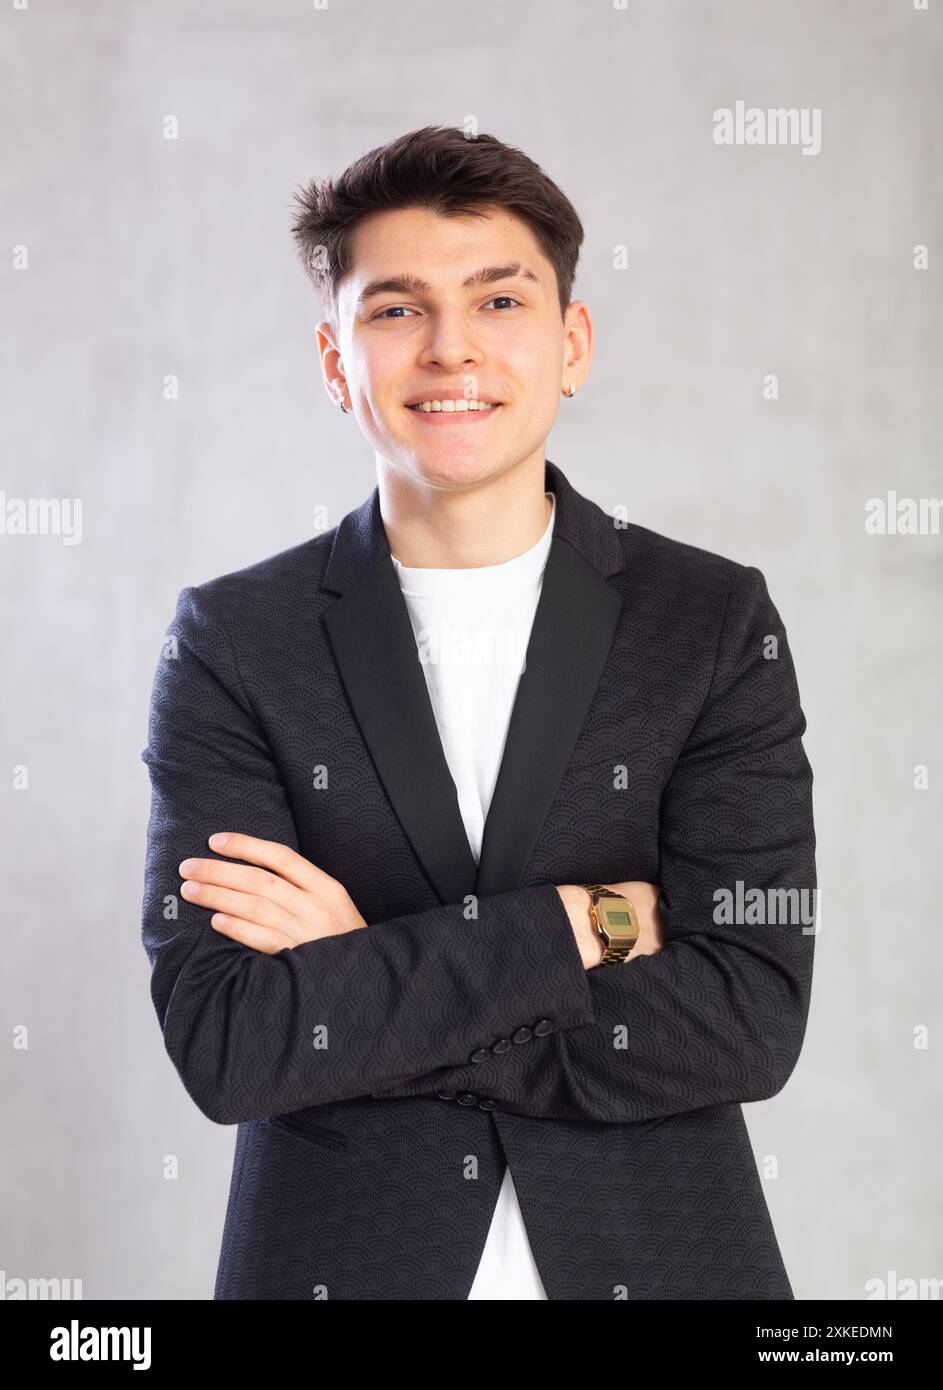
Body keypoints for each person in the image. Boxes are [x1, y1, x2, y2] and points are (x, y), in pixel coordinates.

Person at [140, 125, 816, 1301]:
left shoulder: (708, 620)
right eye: (396, 310)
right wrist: (580, 926)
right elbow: (234, 1042)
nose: (451, 347)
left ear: (571, 343)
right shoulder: (236, 640)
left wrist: (362, 974)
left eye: (499, 299)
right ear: (335, 358)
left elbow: (746, 1017)